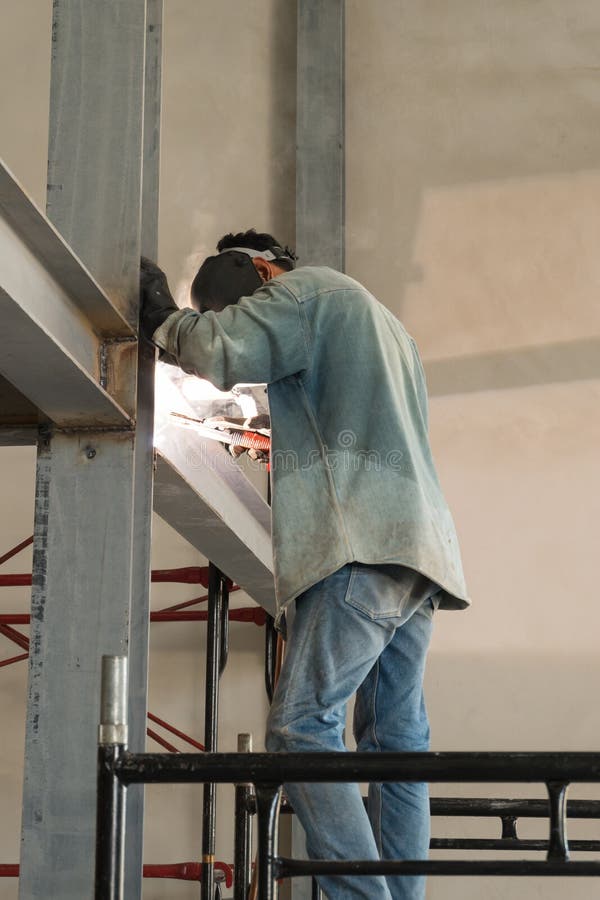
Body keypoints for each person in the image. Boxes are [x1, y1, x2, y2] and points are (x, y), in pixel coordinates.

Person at [140, 230, 470, 900]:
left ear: (258, 271)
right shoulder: (381, 323)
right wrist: (284, 436)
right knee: (394, 746)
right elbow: (349, 417)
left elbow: (217, 347)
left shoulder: (301, 289)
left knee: (301, 726)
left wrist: (165, 320)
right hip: (416, 554)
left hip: (359, 548)